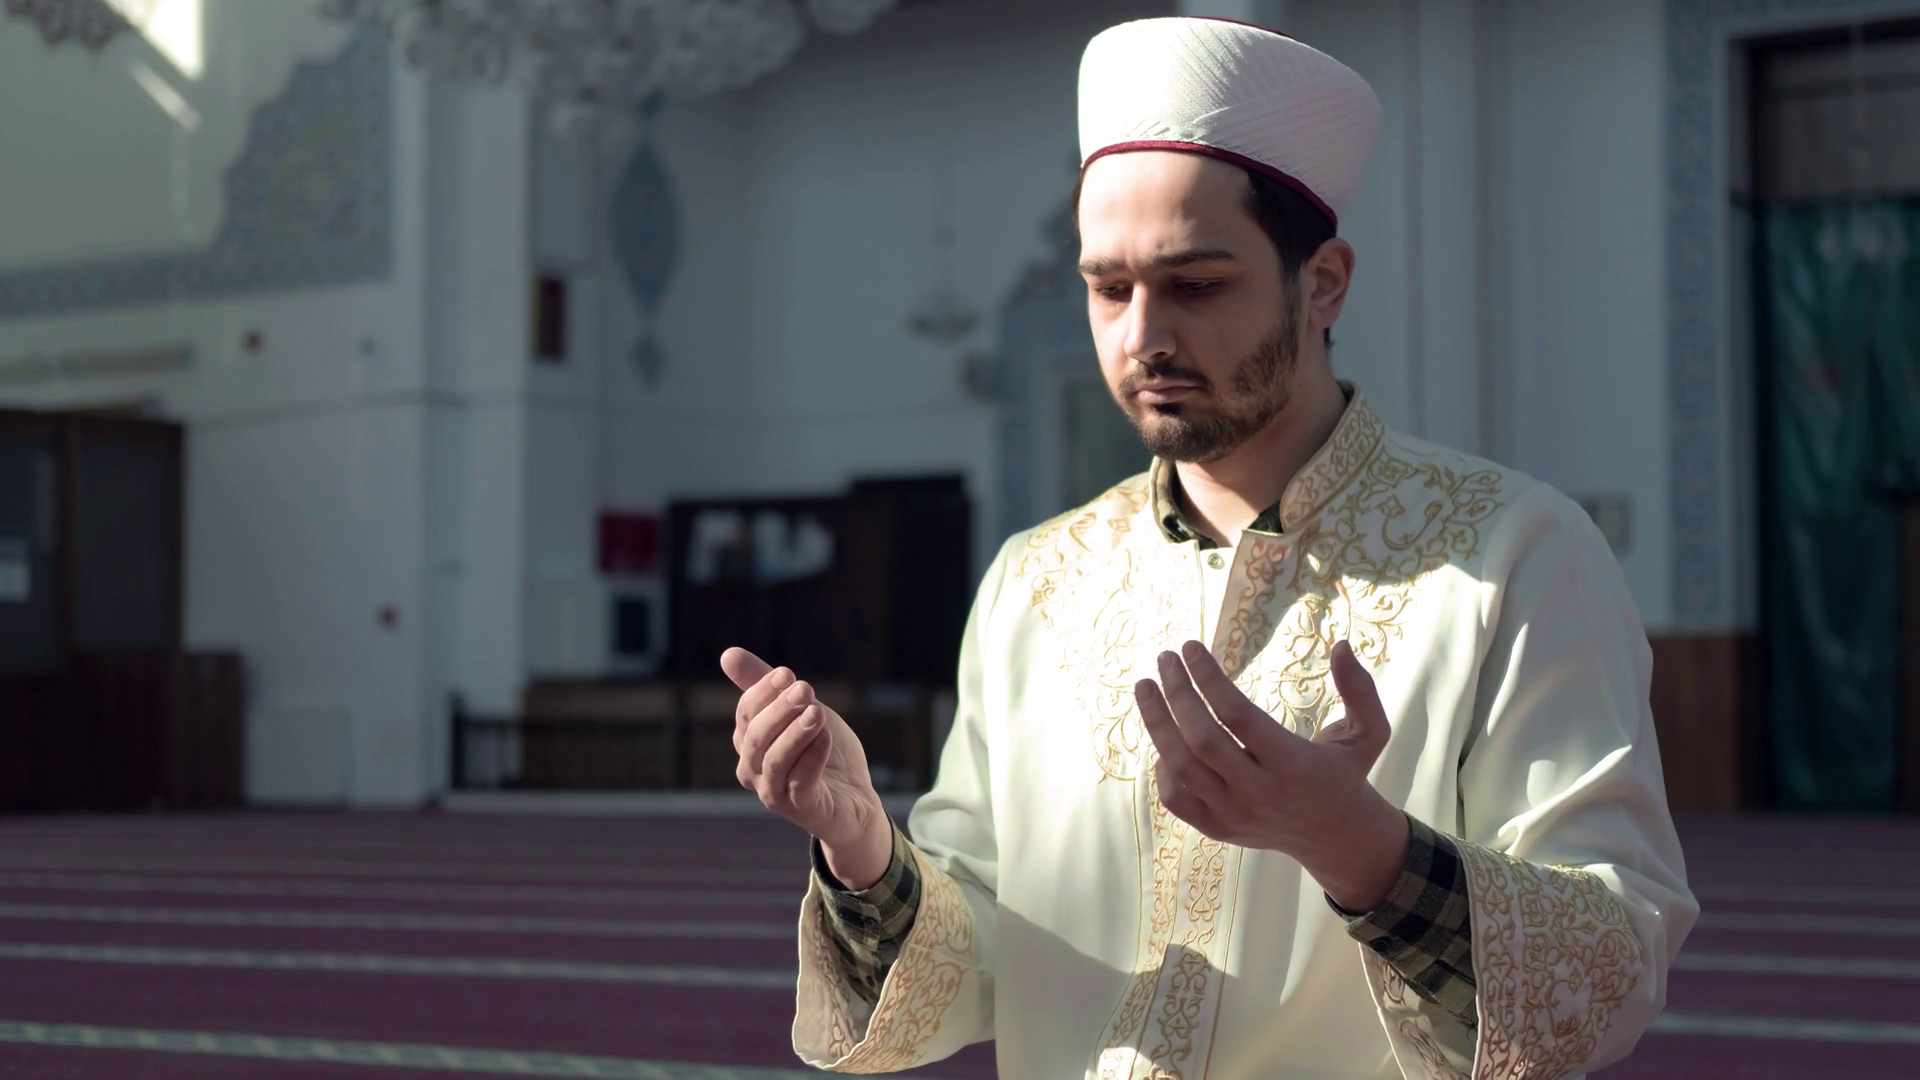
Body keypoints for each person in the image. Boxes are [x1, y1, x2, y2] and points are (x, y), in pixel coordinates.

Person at [720, 16, 1696, 1079]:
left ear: (1322, 283)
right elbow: (978, 966)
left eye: (1194, 285)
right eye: (1108, 289)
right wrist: (862, 846)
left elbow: (1608, 968)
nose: (1142, 336)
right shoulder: (1035, 584)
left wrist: (1361, 850)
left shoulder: (1512, 555)